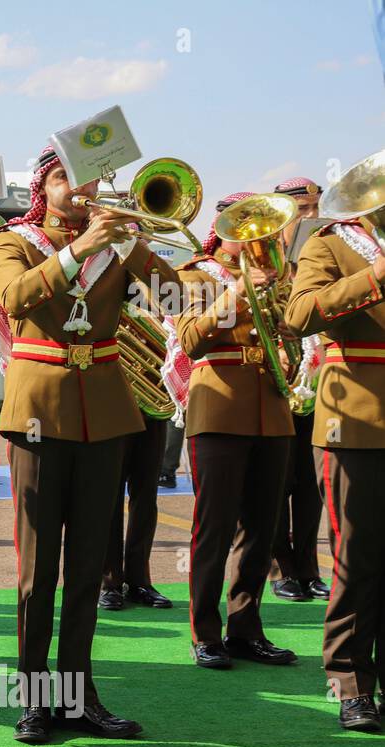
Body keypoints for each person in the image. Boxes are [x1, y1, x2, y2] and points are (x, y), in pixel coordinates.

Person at [0, 145, 179, 743]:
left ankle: (80, 695)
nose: (79, 187)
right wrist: (80, 249)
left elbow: (177, 299)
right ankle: (36, 696)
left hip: (103, 410)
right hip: (40, 410)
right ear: (42, 187)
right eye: (66, 178)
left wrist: (133, 244)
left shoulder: (117, 243)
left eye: (91, 177)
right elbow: (14, 299)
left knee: (90, 562)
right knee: (38, 567)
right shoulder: (12, 239)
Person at [175, 193, 298, 672]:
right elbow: (191, 338)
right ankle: (205, 633)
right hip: (219, 408)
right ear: (222, 227)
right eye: (244, 226)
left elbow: (292, 326)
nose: (255, 237)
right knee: (215, 525)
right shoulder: (196, 274)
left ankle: (245, 629)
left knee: (262, 527)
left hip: (270, 406)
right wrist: (238, 293)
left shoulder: (277, 274)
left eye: (262, 228)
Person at [286, 195, 385, 731]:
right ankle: (349, 684)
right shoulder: (329, 243)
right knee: (357, 562)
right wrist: (375, 275)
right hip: (357, 422)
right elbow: (300, 314)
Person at [269, 176, 329, 603]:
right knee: (275, 481)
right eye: (302, 211)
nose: (313, 218)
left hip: (316, 388)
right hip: (272, 386)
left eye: (315, 208)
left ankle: (307, 567)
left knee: (310, 483)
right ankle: (281, 567)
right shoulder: (264, 262)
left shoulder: (328, 259)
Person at [99, 400, 173, 610]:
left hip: (152, 409)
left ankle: (139, 581)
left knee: (146, 496)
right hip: (111, 405)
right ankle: (109, 582)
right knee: (110, 497)